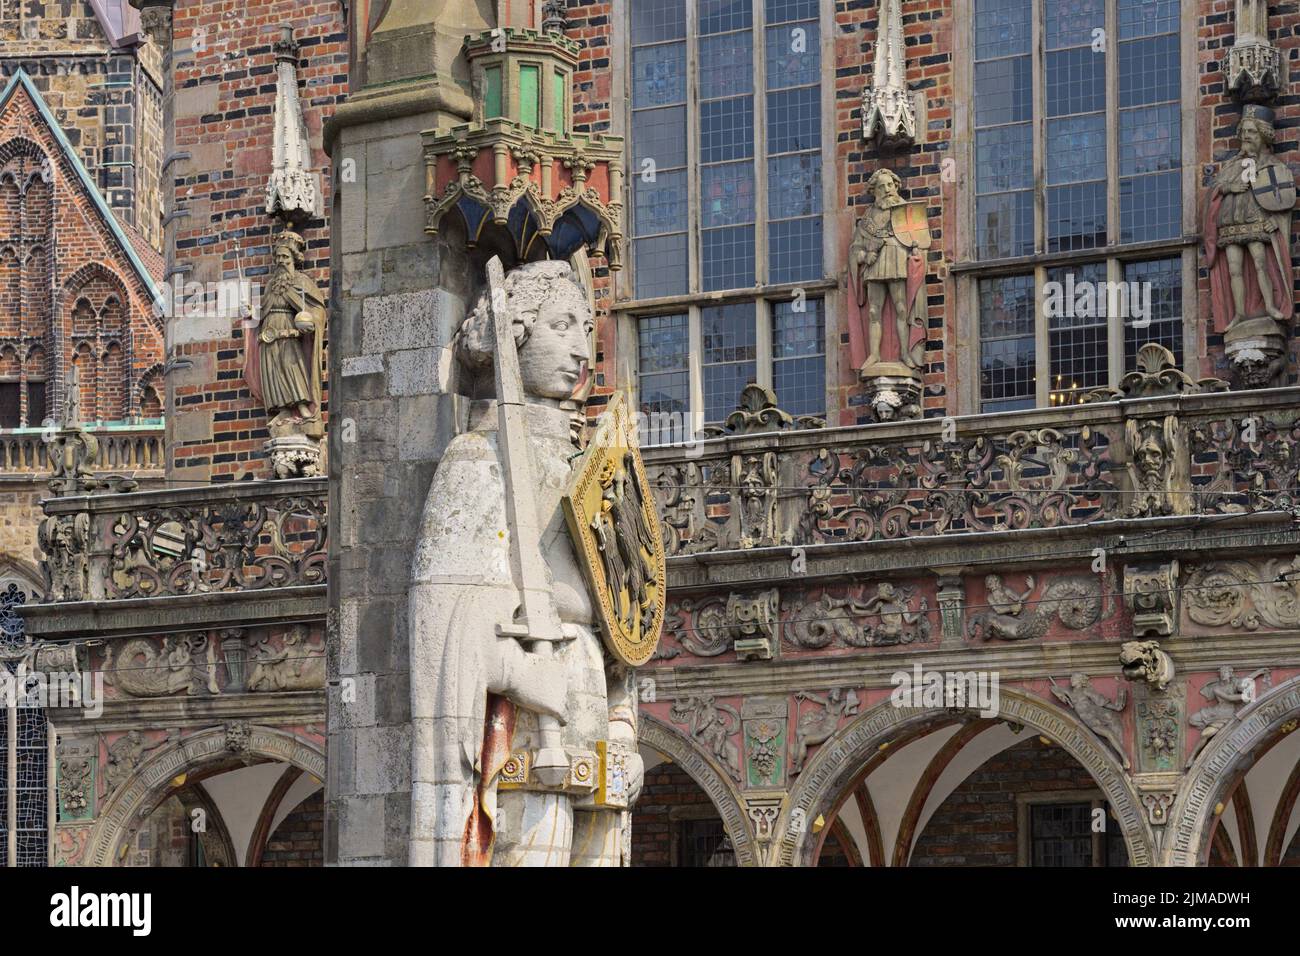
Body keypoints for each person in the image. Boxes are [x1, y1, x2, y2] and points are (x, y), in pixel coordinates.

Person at [408, 260, 642, 866]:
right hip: (529, 724)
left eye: (586, 329)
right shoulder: (476, 457)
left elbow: (622, 618)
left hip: (590, 706)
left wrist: (624, 727)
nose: (581, 349)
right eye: (561, 326)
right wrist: (516, 671)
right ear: (516, 334)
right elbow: (443, 621)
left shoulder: (593, 471)